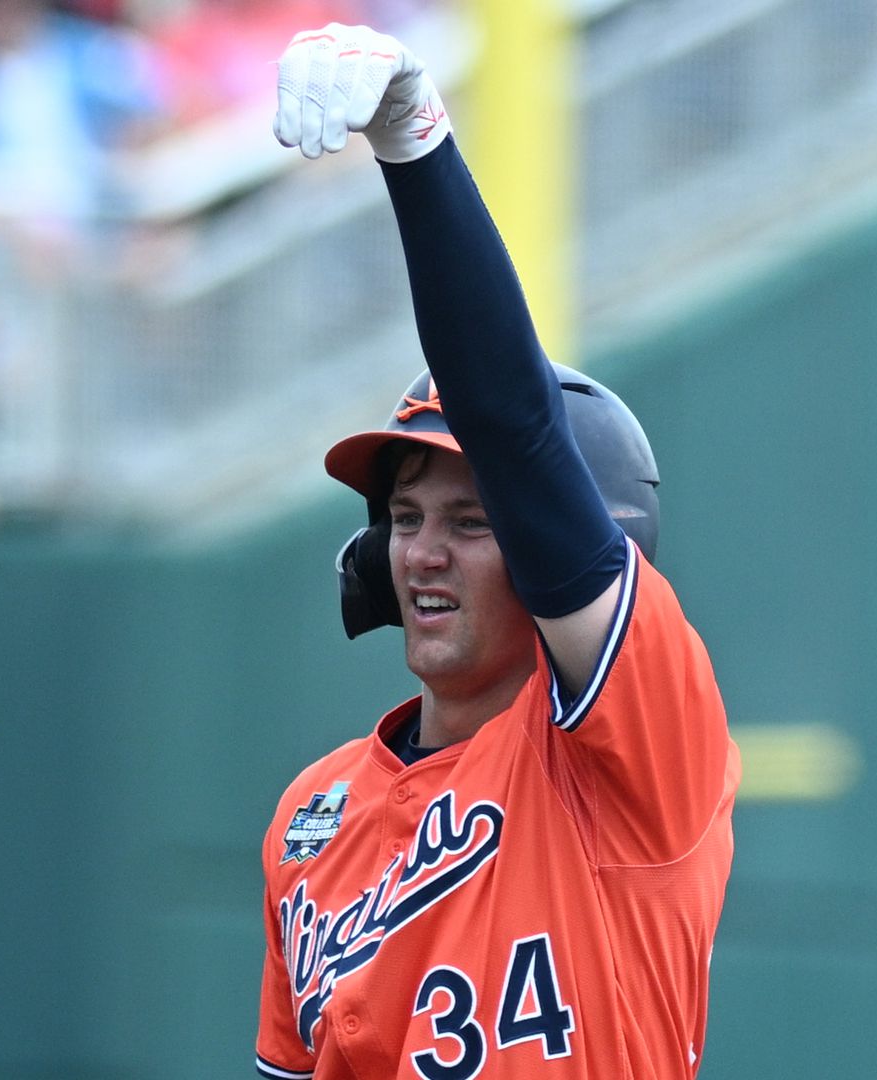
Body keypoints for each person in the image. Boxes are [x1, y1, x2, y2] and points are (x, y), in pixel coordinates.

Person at [255, 22, 740, 1080]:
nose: (424, 552)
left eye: (476, 522)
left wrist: (418, 149)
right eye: (409, 515)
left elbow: (515, 427)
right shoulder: (312, 815)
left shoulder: (637, 751)